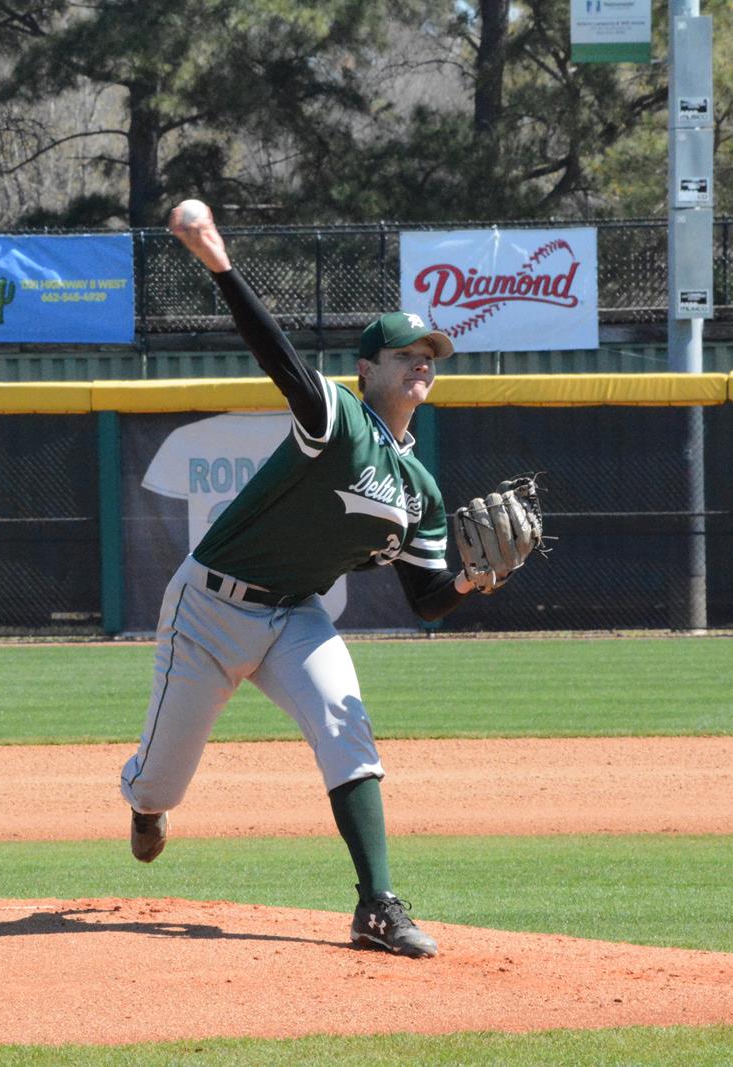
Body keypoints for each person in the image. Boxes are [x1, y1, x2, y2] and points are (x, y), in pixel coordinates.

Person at [118, 199, 485, 959]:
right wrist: (218, 264)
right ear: (366, 368)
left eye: (432, 355)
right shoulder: (339, 421)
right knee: (161, 786)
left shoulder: (422, 489)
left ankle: (375, 906)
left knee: (347, 728)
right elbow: (278, 355)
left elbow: (426, 602)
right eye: (406, 352)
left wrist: (472, 582)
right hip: (209, 607)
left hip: (295, 617)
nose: (423, 362)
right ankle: (146, 805)